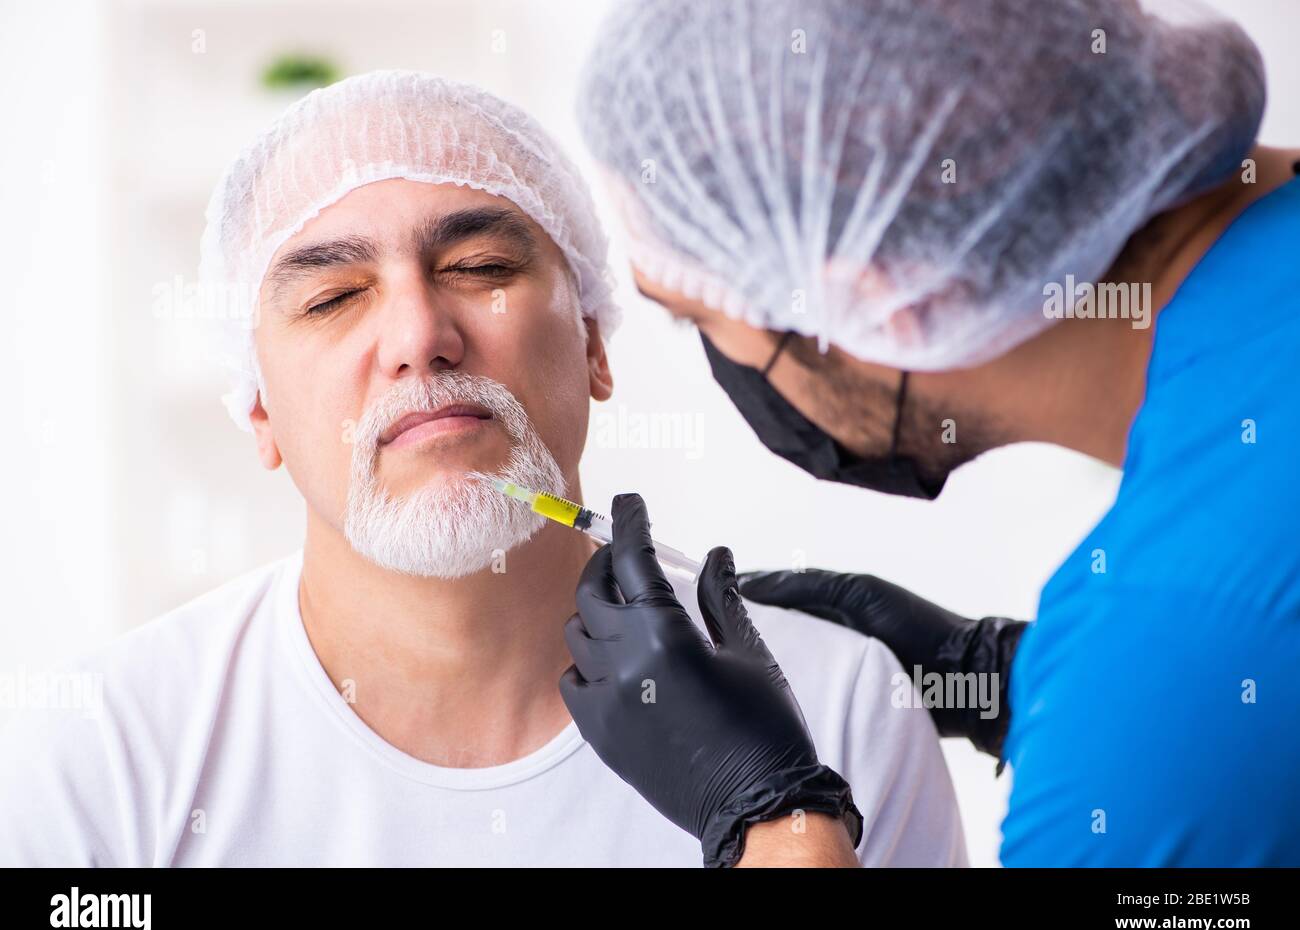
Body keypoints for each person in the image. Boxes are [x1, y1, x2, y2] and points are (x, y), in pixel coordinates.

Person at [0, 71, 968, 869]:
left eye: (479, 268)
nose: (419, 337)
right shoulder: (110, 756)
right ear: (257, 409)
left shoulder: (830, 717)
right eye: (335, 295)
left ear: (594, 342)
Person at [570, 0, 1300, 864]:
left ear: (887, 297)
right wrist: (1020, 679)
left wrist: (772, 820)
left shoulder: (1159, 669)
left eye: (695, 314)